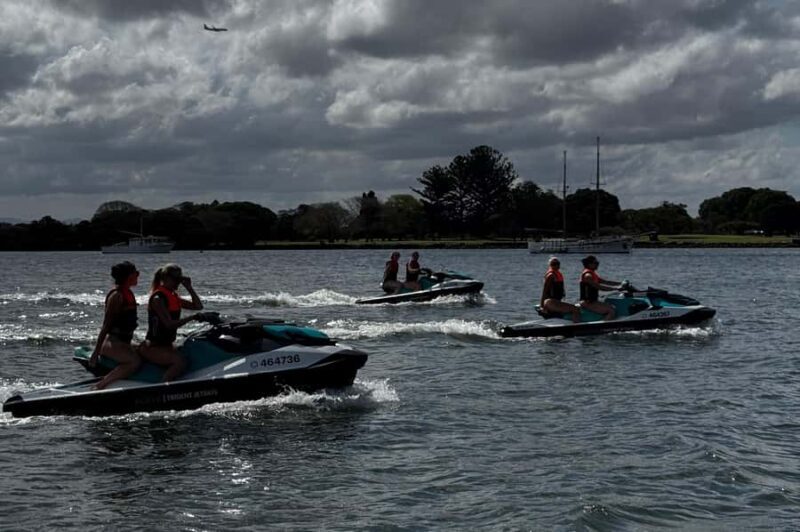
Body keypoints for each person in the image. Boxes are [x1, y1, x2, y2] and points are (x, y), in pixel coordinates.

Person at [139, 264, 204, 382]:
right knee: (180, 362)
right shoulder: (158, 298)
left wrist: (189, 288)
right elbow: (169, 324)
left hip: (167, 344)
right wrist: (193, 317)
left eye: (180, 278)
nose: (179, 282)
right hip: (153, 346)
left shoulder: (173, 296)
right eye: (176, 279)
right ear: (166, 279)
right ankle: (164, 389)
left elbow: (198, 306)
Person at [89, 261, 142, 389]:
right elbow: (106, 326)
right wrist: (96, 353)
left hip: (125, 341)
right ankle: (100, 385)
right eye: (137, 273)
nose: (138, 276)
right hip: (113, 343)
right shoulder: (117, 296)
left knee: (146, 350)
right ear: (129, 276)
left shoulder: (128, 293)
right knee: (134, 362)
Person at [579, 255, 622, 321]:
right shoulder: (588, 275)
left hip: (593, 301)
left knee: (613, 306)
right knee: (611, 310)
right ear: (589, 264)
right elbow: (599, 287)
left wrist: (620, 283)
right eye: (596, 263)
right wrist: (616, 288)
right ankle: (602, 328)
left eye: (598, 263)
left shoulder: (593, 274)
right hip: (587, 303)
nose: (597, 265)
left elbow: (606, 282)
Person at [540, 256, 581, 323]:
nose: (556, 265)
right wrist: (542, 306)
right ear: (550, 265)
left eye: (557, 263)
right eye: (553, 264)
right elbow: (545, 291)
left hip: (556, 301)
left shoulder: (558, 274)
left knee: (577, 307)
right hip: (550, 302)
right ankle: (576, 327)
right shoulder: (550, 276)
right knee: (575, 309)